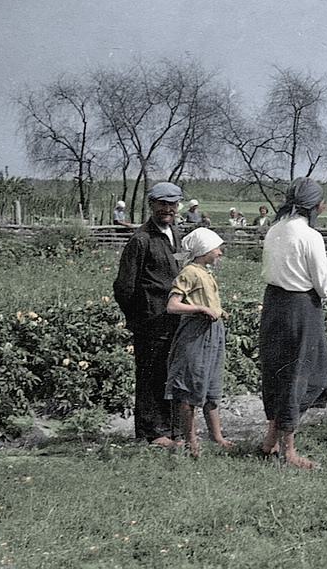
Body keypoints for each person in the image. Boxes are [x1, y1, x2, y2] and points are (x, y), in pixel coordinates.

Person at [259, 177, 327, 469]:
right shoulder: (310, 236)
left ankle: (271, 439)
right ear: (316, 205)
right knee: (303, 374)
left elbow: (286, 267)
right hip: (300, 309)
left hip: (274, 304)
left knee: (278, 371)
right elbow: (325, 288)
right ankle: (287, 451)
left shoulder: (274, 230)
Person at [113, 182, 184, 447]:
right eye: (162, 204)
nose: (168, 209)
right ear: (151, 205)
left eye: (172, 204)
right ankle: (153, 432)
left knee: (172, 373)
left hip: (175, 318)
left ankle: (176, 430)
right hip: (151, 320)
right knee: (151, 376)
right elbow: (124, 286)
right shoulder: (141, 239)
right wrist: (139, 317)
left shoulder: (175, 233)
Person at [165, 227, 236, 457]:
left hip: (212, 334)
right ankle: (191, 441)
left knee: (211, 385)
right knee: (190, 385)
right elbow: (173, 305)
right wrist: (201, 309)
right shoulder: (190, 272)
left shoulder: (204, 272)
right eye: (216, 248)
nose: (220, 253)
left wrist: (218, 311)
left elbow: (205, 300)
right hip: (195, 335)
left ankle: (217, 436)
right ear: (204, 250)